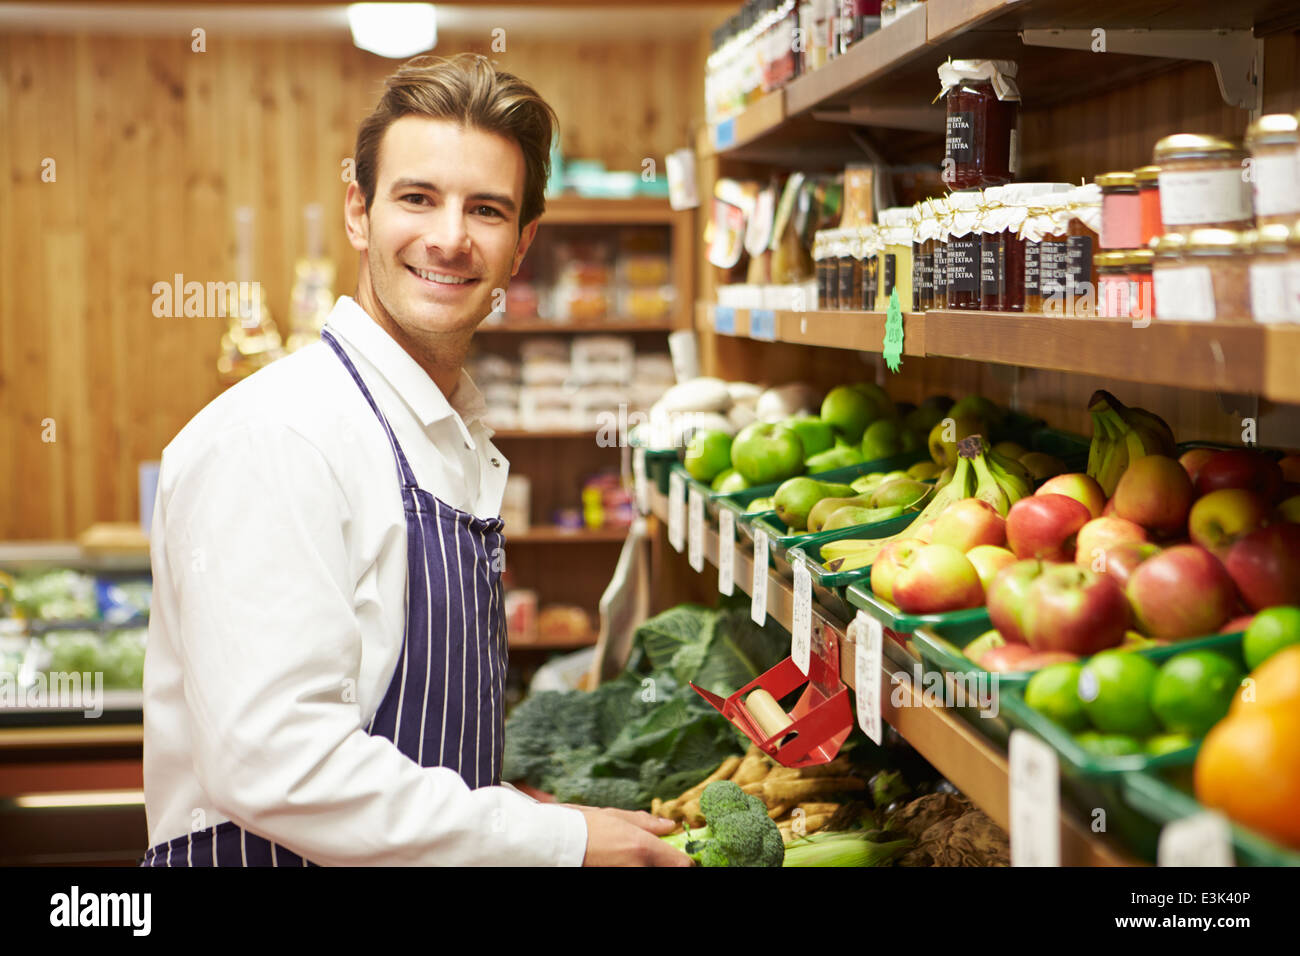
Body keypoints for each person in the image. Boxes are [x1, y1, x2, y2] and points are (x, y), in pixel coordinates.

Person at [141, 53, 689, 867]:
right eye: (417, 198)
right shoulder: (280, 437)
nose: (449, 238)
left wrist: (524, 813)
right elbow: (277, 764)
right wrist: (553, 840)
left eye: (488, 210)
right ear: (359, 213)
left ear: (522, 245)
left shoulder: (449, 438)